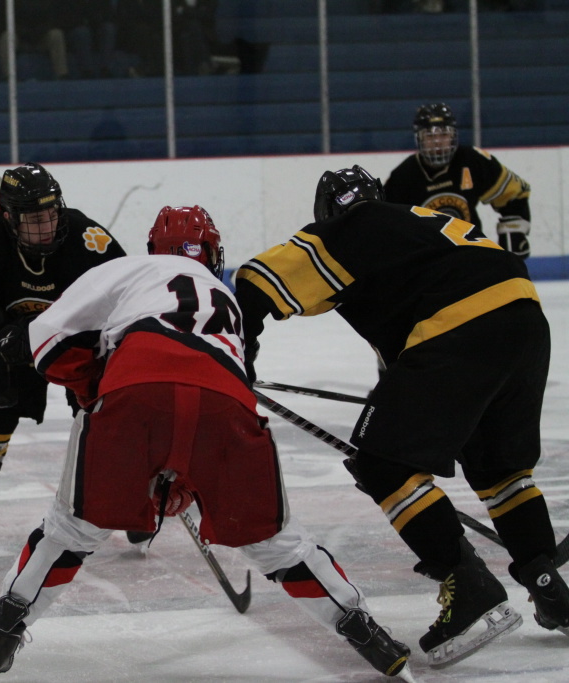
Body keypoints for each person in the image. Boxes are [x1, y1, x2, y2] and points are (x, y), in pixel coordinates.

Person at [0, 206, 414, 682]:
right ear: (210, 252)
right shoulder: (226, 295)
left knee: (72, 532)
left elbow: (49, 343)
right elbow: (226, 380)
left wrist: (82, 383)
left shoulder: (126, 269)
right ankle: (367, 633)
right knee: (279, 545)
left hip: (134, 395)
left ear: (151, 249)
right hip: (227, 403)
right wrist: (185, 471)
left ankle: (6, 628)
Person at [233, 165, 569, 667]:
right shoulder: (417, 223)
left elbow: (254, 281)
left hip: (460, 327)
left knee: (381, 463)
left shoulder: (349, 228)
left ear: (327, 214)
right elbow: (406, 369)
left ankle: (464, 578)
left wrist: (237, 363)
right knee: (500, 471)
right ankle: (550, 588)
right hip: (523, 318)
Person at [0, 162, 126, 556]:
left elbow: (129, 302)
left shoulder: (89, 239)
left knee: (107, 418)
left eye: (51, 213)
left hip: (80, 345)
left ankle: (127, 500)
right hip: (12, 343)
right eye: (34, 218)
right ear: (9, 217)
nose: (47, 224)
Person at [384, 103, 532, 259]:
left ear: (453, 136)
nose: (437, 142)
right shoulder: (403, 176)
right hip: (429, 264)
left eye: (443, 135)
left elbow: (514, 193)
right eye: (430, 136)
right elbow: (387, 224)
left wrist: (513, 231)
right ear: (419, 138)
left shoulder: (473, 161)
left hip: (473, 255)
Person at [0, 0, 68, 80]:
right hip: (19, 37)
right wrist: (24, 33)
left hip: (42, 35)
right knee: (6, 38)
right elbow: (3, 22)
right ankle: (8, 78)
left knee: (56, 35)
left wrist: (38, 32)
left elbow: (54, 19)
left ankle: (61, 75)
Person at [63, 1, 115, 79]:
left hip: (95, 30)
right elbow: (65, 18)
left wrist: (96, 21)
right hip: (73, 31)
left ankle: (106, 68)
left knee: (108, 29)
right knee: (82, 32)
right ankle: (87, 71)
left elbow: (109, 15)